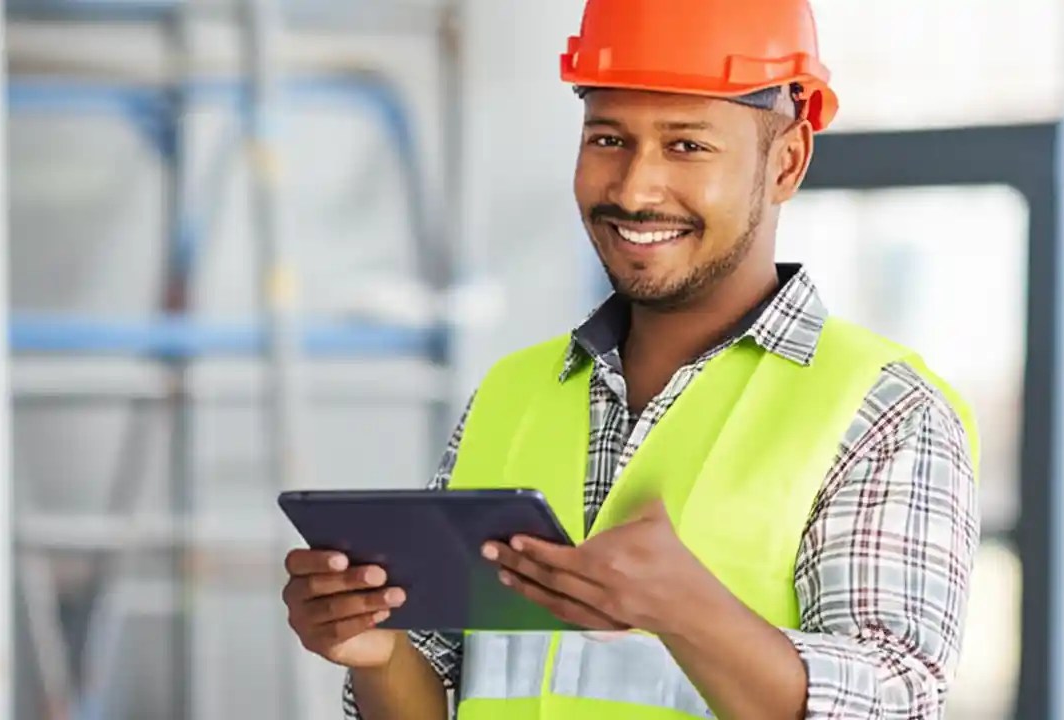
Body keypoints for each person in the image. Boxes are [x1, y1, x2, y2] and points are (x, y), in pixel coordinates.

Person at [282, 0, 980, 717]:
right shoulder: (513, 392)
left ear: (787, 162)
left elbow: (895, 705)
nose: (634, 189)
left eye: (687, 146)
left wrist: (689, 611)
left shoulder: (883, 413)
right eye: (609, 139)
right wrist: (380, 652)